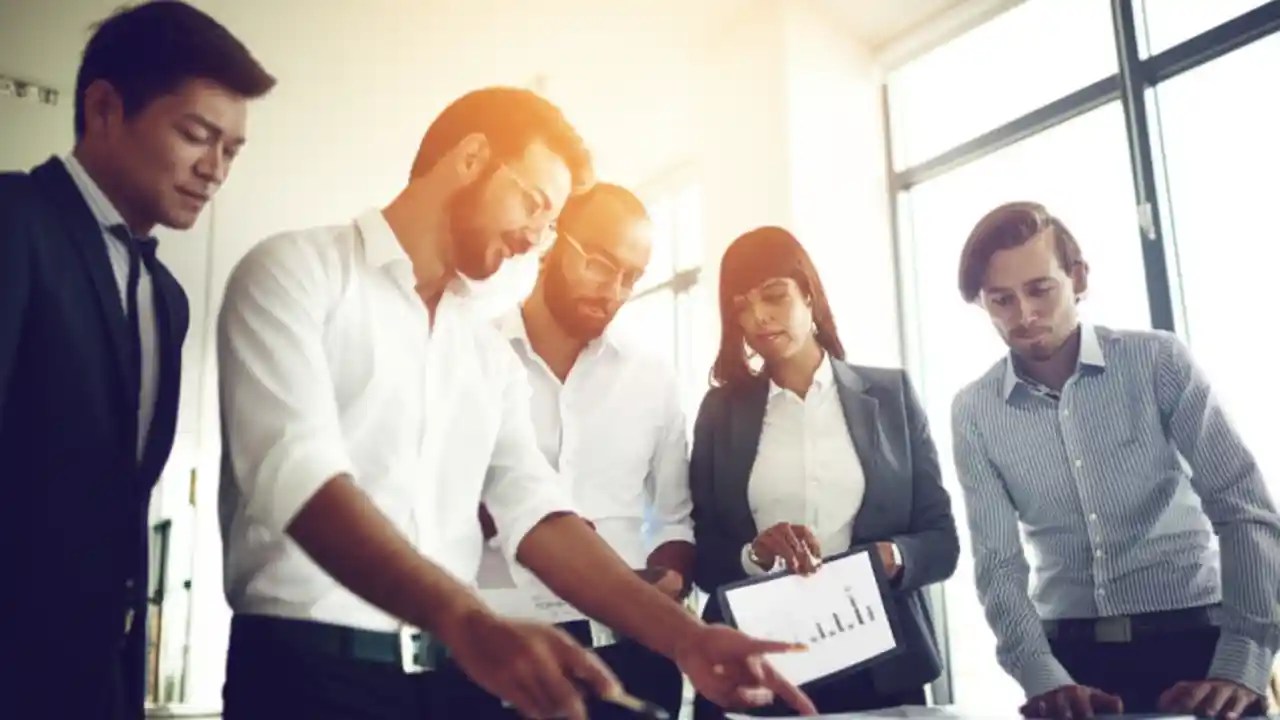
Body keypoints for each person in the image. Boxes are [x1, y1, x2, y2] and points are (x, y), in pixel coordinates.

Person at [217, 88, 815, 720]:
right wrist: (467, 618)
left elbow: (537, 513)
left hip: (449, 682)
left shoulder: (482, 351)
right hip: (305, 676)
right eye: (533, 202)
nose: (535, 238)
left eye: (548, 220)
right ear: (472, 158)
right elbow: (297, 477)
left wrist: (686, 638)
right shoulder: (294, 273)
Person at [0, 3, 274, 718]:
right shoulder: (13, 220)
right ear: (104, 108)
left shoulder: (167, 297)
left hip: (99, 675)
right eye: (196, 135)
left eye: (233, 151)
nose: (214, 169)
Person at [950, 201, 1280, 720]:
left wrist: (1243, 662)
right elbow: (997, 562)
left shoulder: (1159, 363)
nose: (1024, 314)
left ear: (1077, 277)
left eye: (1040, 289)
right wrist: (1041, 675)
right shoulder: (975, 410)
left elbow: (1243, 507)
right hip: (1071, 666)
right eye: (1002, 300)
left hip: (1199, 647)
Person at [441, 182, 694, 718]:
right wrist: (500, 518)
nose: (614, 291)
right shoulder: (470, 354)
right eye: (601, 265)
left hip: (629, 658)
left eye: (631, 278)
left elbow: (675, 519)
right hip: (502, 655)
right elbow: (428, 494)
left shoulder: (653, 377)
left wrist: (669, 577)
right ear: (553, 240)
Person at [689, 226, 959, 718]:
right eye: (741, 306)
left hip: (879, 664)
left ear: (808, 293)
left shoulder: (890, 396)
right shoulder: (720, 412)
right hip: (758, 667)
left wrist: (893, 556)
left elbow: (942, 541)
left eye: (774, 296)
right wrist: (753, 554)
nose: (759, 318)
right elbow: (703, 554)